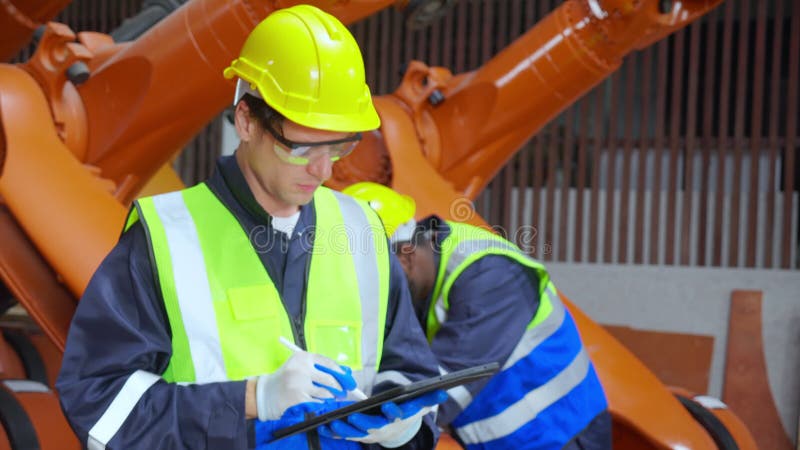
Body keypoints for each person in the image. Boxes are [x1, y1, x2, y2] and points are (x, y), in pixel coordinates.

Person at [56, 6, 445, 450]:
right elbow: (100, 406)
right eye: (301, 147)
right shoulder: (164, 238)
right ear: (246, 121)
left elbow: (413, 373)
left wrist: (401, 424)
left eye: (339, 146)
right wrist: (249, 401)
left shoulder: (362, 231)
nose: (322, 170)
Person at [344, 182, 613, 450]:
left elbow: (438, 391)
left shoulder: (489, 276)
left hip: (561, 436)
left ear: (404, 256)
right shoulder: (416, 286)